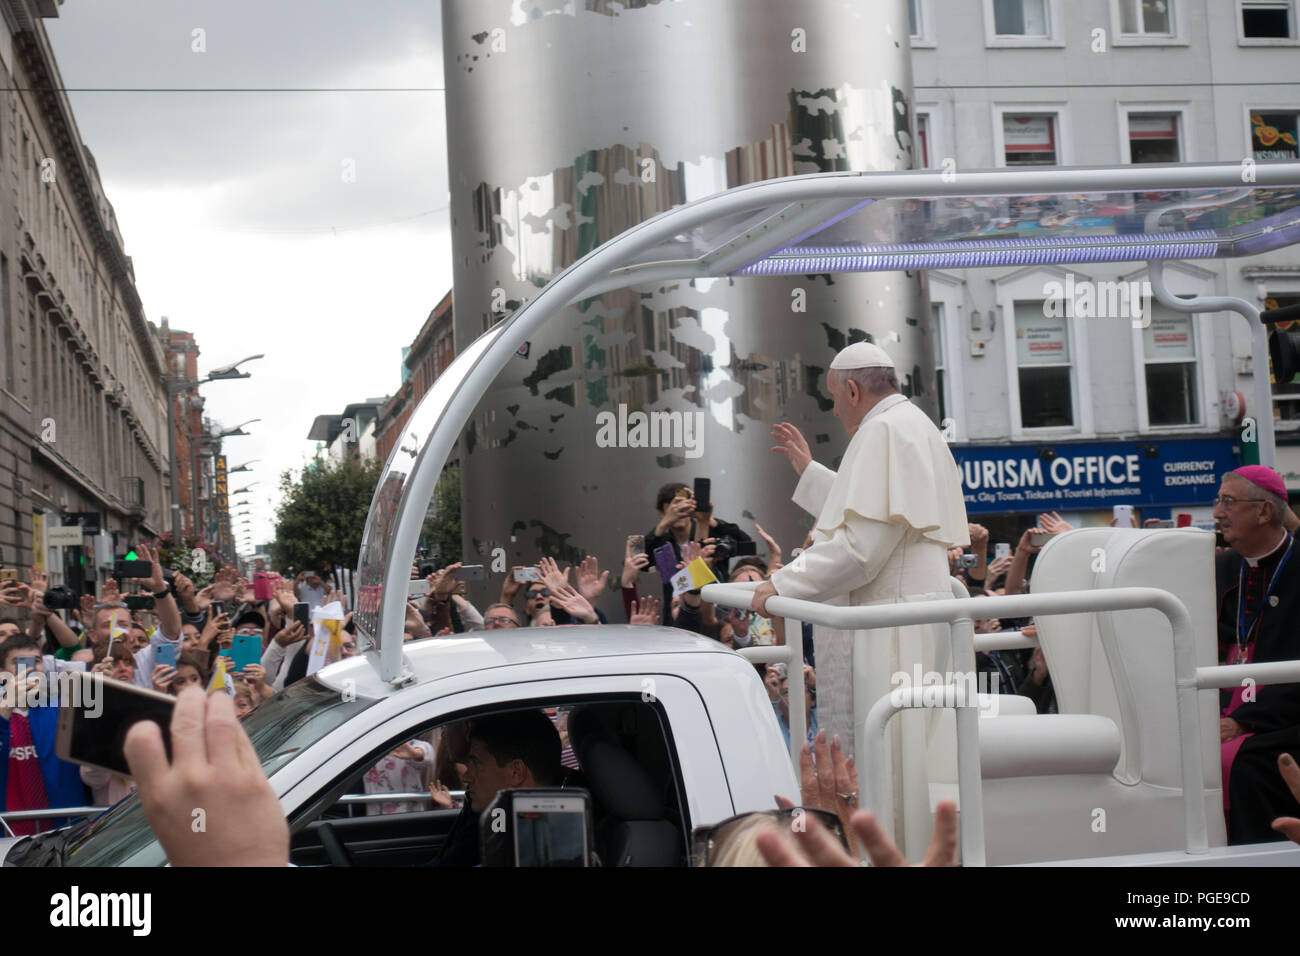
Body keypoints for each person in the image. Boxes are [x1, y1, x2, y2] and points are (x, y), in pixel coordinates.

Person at [757, 341, 969, 774]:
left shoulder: (882, 431)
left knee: (885, 770)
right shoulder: (913, 423)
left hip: (887, 633)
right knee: (907, 763)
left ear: (852, 390)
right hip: (911, 623)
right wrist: (811, 474)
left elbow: (860, 551)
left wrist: (780, 583)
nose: (835, 412)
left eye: (835, 400)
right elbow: (883, 513)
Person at [1212, 465, 1300, 843]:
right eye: (1218, 501)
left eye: (1228, 502)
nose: (1217, 512)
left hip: (1285, 717)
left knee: (1248, 765)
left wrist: (1245, 721)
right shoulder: (1220, 568)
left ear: (1264, 512)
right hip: (1221, 711)